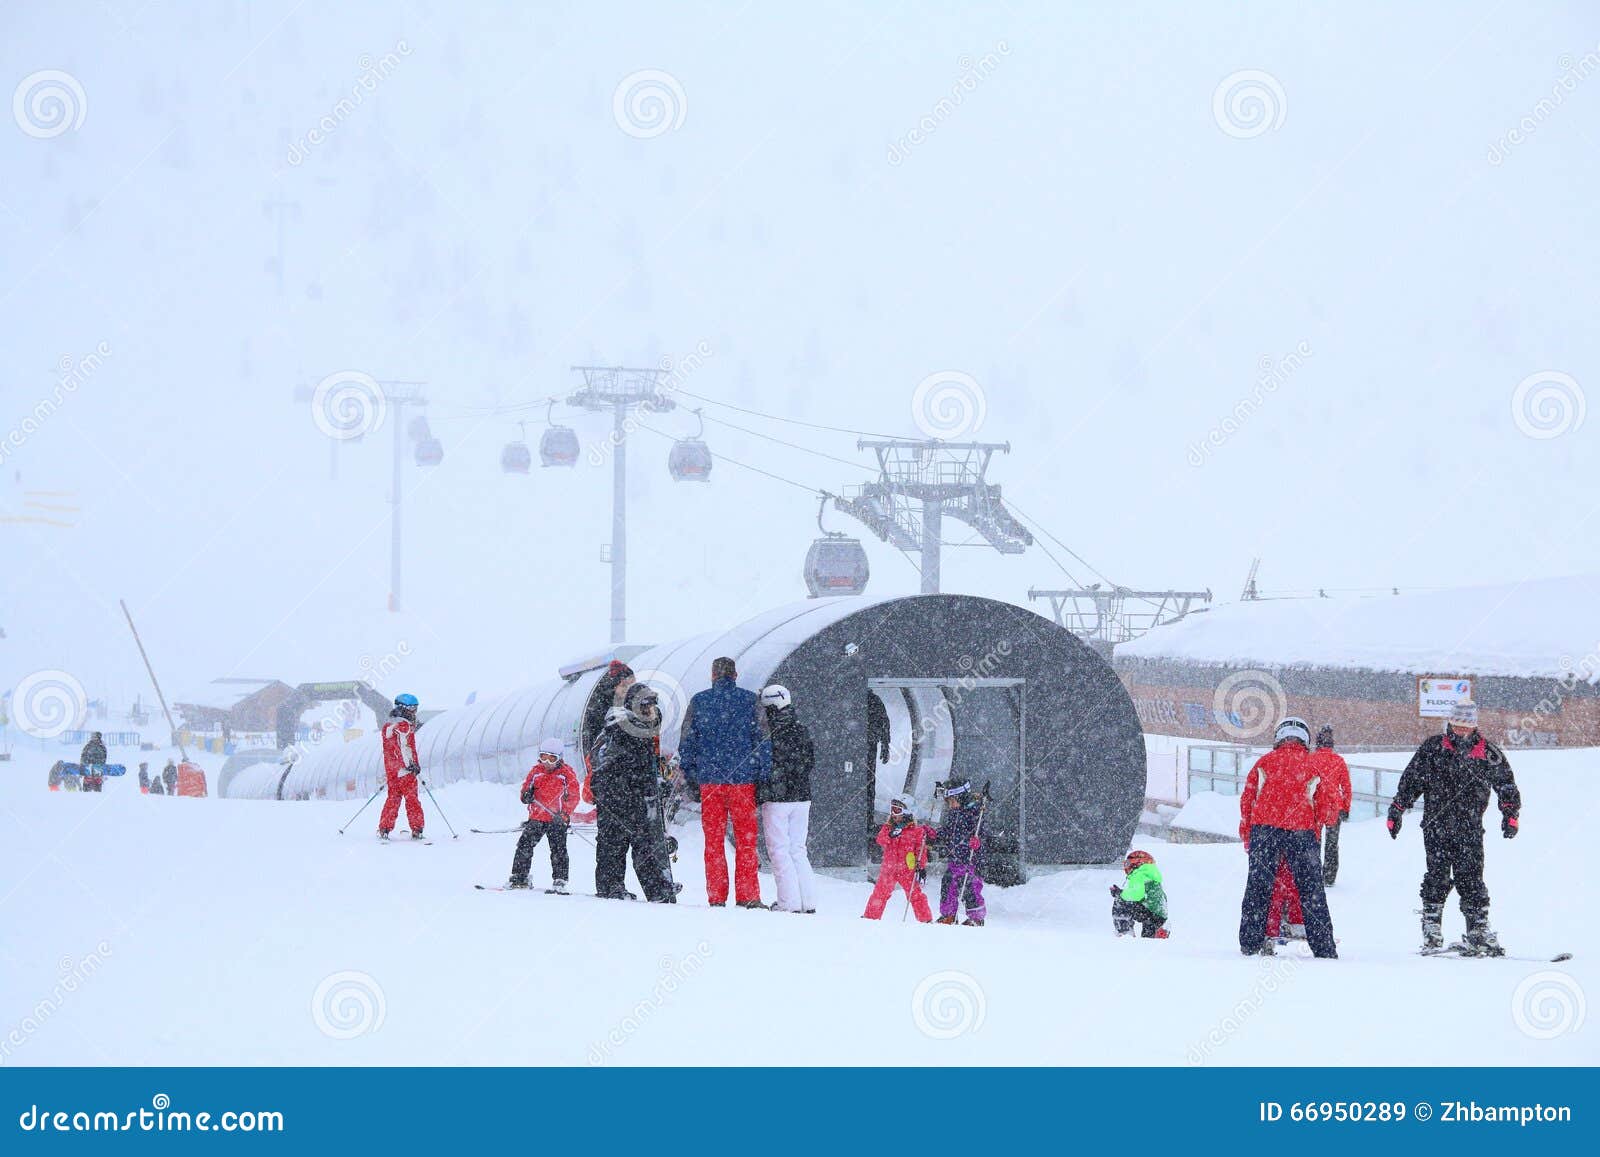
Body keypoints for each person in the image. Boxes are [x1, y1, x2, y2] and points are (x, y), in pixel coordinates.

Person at [1388, 700, 1520, 955]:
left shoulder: (1487, 752)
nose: (1460, 730)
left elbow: (1506, 784)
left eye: (1466, 726)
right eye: (1457, 725)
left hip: (1470, 828)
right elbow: (1411, 780)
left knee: (1471, 879)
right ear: (1450, 723)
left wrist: (1510, 814)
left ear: (1474, 725)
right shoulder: (1433, 748)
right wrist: (1397, 808)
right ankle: (1431, 927)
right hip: (1436, 825)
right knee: (1437, 876)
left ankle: (1478, 928)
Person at [1237, 716, 1338, 958]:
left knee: (1258, 887)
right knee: (1311, 889)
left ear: (1278, 737)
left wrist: (1247, 832)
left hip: (1264, 830)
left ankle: (1250, 942)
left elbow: (1247, 801)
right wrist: (1318, 824)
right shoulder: (1312, 767)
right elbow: (1326, 809)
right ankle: (1323, 947)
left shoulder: (1263, 763)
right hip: (1301, 832)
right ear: (1305, 739)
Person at [678, 657, 770, 909]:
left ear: (712, 675)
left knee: (714, 842)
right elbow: (763, 741)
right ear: (735, 675)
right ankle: (748, 896)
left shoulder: (699, 701)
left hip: (710, 783)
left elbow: (687, 742)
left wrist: (691, 776)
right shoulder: (751, 701)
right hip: (743, 782)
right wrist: (763, 776)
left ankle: (717, 897)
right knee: (746, 841)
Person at [588, 684, 676, 903]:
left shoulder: (637, 727)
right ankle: (612, 888)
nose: (650, 709)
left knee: (642, 841)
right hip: (615, 794)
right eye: (646, 705)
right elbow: (621, 763)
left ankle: (656, 890)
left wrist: (654, 780)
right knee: (614, 843)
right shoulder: (623, 727)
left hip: (631, 794)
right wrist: (644, 781)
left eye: (652, 704)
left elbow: (642, 763)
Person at [756, 684, 817, 914]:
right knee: (798, 850)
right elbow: (809, 761)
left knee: (779, 851)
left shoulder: (768, 731)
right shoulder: (801, 729)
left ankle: (788, 903)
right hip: (803, 797)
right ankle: (808, 901)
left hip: (777, 799)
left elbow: (764, 764)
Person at [507, 739, 581, 892]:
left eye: (552, 758)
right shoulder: (536, 771)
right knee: (524, 845)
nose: (547, 762)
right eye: (543, 757)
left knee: (558, 849)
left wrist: (565, 813)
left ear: (560, 758)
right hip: (537, 817)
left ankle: (560, 880)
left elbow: (574, 796)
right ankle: (520, 876)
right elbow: (526, 789)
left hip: (557, 819)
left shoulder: (566, 773)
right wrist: (526, 795)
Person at [862, 796, 933, 922]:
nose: (893, 814)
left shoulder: (916, 831)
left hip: (907, 869)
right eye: (892, 810)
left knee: (915, 894)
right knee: (880, 893)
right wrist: (890, 835)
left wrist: (921, 866)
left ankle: (925, 919)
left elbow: (921, 850)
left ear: (907, 813)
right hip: (889, 868)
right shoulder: (888, 827)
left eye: (897, 810)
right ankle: (870, 918)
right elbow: (880, 839)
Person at [932, 781, 987, 926]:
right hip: (955, 859)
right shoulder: (954, 814)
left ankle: (976, 917)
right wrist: (934, 834)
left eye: (952, 801)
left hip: (971, 860)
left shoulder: (974, 812)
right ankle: (949, 915)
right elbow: (947, 832)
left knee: (970, 887)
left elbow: (982, 833)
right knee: (948, 884)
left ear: (961, 797)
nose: (950, 805)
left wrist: (978, 841)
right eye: (948, 802)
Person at [378, 693, 425, 840]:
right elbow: (405, 748)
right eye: (412, 708)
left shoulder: (389, 725)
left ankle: (384, 828)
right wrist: (412, 765)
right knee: (412, 800)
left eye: (416, 709)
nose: (414, 712)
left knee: (393, 799)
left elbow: (391, 750)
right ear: (403, 708)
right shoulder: (404, 726)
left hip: (392, 771)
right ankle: (417, 829)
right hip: (405, 771)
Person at [1312, 725, 1352, 885]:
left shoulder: (1310, 759)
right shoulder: (1339, 761)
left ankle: (1313, 874)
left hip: (1315, 808)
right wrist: (1345, 807)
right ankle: (1329, 876)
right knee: (1332, 844)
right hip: (1334, 808)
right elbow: (1346, 787)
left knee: (1314, 842)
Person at [1111, 849, 1169, 938]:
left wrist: (1119, 894)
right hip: (1159, 914)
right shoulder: (1151, 874)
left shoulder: (1139, 873)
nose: (1126, 867)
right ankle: (1159, 931)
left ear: (1137, 863)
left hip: (1150, 913)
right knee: (1148, 941)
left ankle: (1124, 932)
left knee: (1120, 901)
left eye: (1128, 863)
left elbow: (1137, 895)